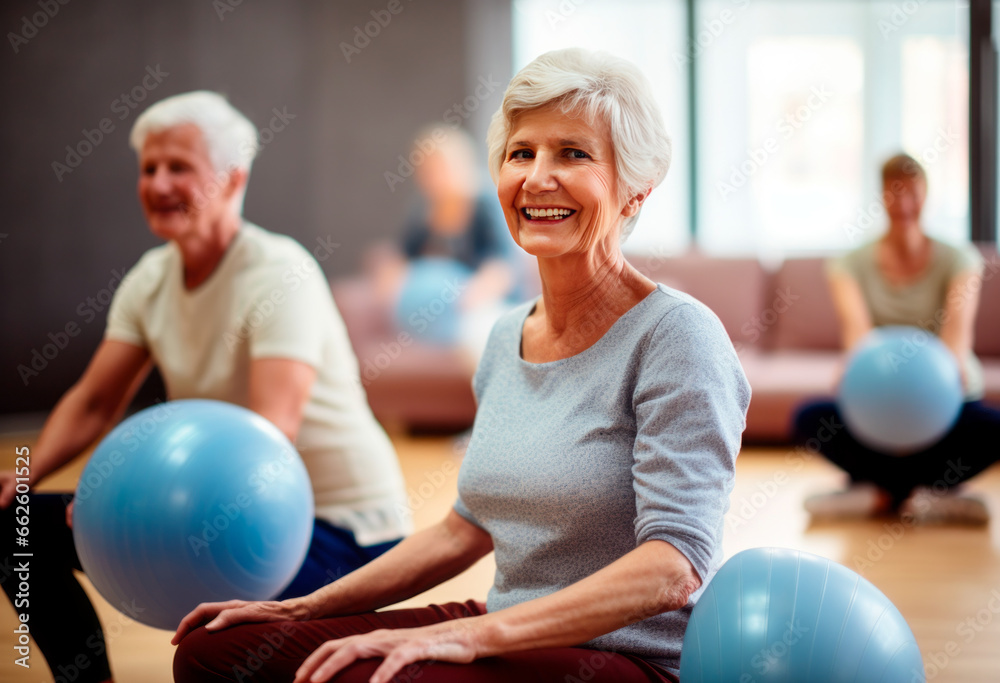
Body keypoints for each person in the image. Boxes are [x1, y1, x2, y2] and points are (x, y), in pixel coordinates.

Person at [171, 49, 750, 683]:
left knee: (389, 679)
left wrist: (474, 634)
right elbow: (463, 528)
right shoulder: (506, 337)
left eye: (574, 154)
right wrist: (304, 609)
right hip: (508, 626)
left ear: (635, 187)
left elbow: (675, 566)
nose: (536, 178)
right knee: (215, 650)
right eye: (521, 153)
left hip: (624, 656)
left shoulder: (678, 337)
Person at [0, 91, 411, 683]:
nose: (159, 183)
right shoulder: (150, 279)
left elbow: (271, 436)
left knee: (220, 645)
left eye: (180, 167)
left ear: (233, 178)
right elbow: (94, 401)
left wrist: (119, 504)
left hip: (341, 530)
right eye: (148, 168)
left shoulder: (279, 271)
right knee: (15, 526)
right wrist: (24, 471)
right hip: (220, 507)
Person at [794, 153, 1000, 524]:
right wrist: (869, 385)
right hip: (876, 405)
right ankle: (927, 497)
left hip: (946, 404)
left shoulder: (960, 260)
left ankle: (879, 494)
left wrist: (921, 404)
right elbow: (857, 338)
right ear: (883, 197)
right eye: (894, 193)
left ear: (926, 196)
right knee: (808, 418)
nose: (904, 204)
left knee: (993, 429)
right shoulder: (849, 264)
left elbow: (956, 343)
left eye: (913, 193)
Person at [372, 125, 518, 365]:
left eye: (439, 168)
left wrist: (472, 297)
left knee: (476, 335)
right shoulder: (424, 209)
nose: (433, 177)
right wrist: (391, 283)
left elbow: (503, 267)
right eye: (426, 170)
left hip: (481, 306)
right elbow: (401, 258)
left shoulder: (485, 204)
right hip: (434, 313)